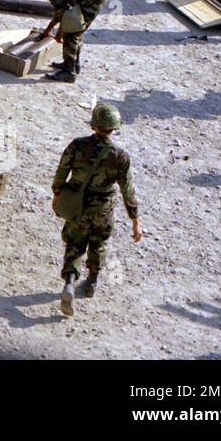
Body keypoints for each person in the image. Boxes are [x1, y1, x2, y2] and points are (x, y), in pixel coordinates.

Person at [52, 102, 141, 317]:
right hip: (103, 208)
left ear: (94, 125)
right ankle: (91, 282)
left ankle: (70, 281)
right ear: (114, 127)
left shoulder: (77, 145)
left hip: (78, 204)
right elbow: (127, 189)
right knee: (98, 242)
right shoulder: (120, 156)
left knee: (75, 241)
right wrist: (135, 219)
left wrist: (57, 194)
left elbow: (62, 171)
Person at [28, 0, 109, 83]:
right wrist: (48, 32)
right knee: (75, 28)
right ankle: (74, 64)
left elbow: (61, 15)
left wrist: (56, 35)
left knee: (72, 31)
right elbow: (63, 13)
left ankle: (69, 72)